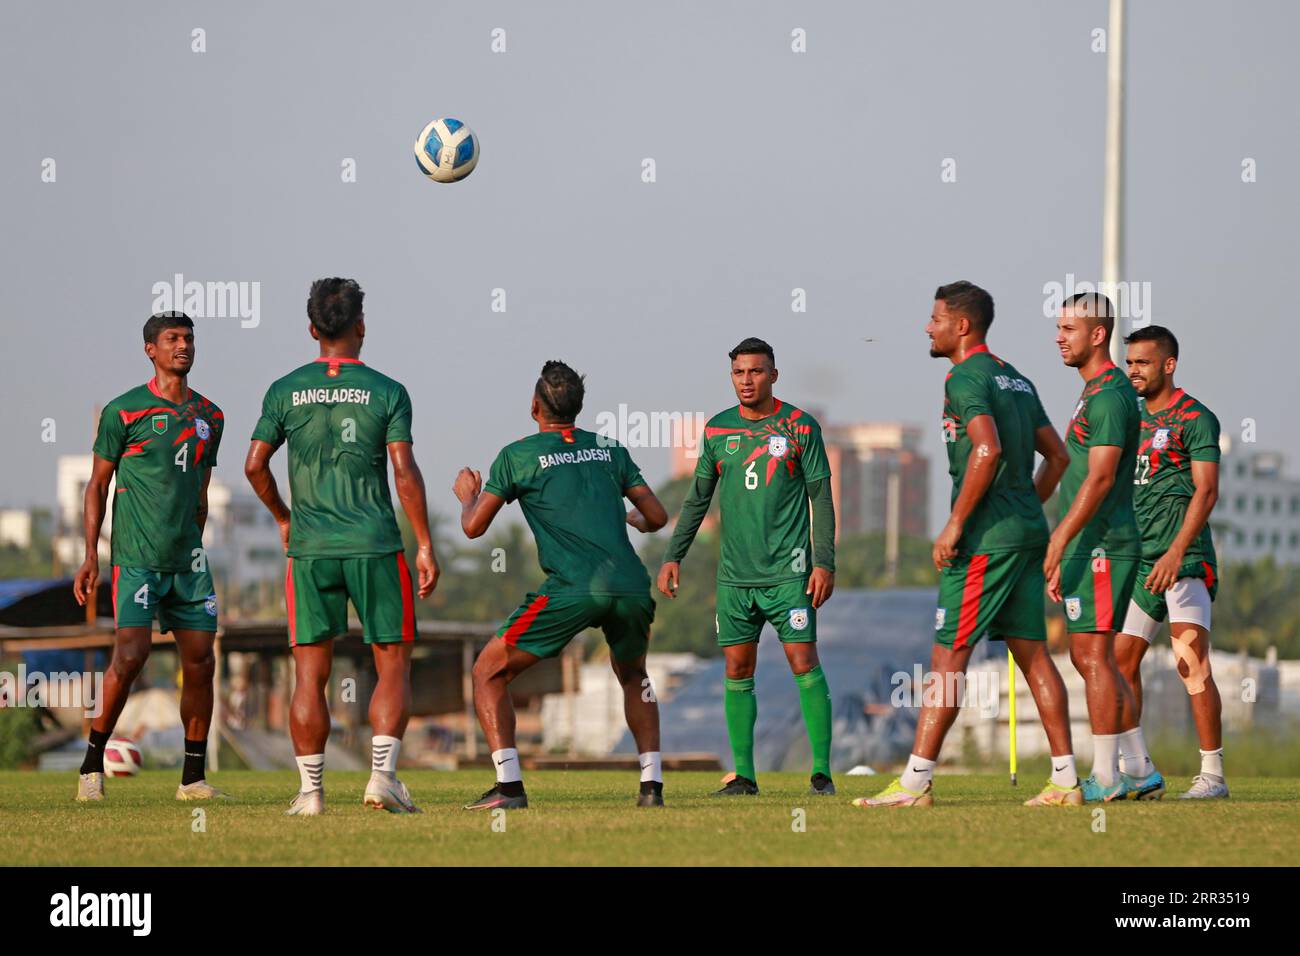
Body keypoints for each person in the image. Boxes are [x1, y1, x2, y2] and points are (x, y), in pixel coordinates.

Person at [854, 282, 1078, 808]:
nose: (926, 327)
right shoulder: (1017, 378)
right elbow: (1060, 457)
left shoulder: (965, 376)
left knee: (947, 657)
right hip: (1025, 534)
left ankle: (914, 784)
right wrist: (1024, 504)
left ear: (962, 326)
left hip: (985, 541)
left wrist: (957, 523)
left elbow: (987, 447)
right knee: (1034, 656)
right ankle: (1066, 781)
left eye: (934, 318)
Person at [245, 278, 439, 816]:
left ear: (312, 329)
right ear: (361, 327)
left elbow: (254, 465)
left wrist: (284, 517)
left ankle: (310, 793)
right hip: (375, 544)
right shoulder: (388, 391)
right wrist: (423, 544)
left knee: (310, 674)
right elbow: (405, 472)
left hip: (309, 549)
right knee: (392, 663)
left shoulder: (284, 390)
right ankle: (382, 779)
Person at [454, 360, 669, 809]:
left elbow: (474, 528)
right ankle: (651, 789)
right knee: (635, 677)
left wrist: (467, 495)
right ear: (578, 408)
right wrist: (632, 519)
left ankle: (509, 788)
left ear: (535, 406)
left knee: (487, 672)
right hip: (630, 583)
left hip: (575, 586)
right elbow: (657, 516)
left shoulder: (518, 455)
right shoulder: (610, 448)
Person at [658, 337, 837, 797]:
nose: (746, 380)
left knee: (803, 660)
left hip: (790, 574)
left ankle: (821, 773)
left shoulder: (800, 427)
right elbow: (698, 499)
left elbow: (821, 497)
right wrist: (673, 555)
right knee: (737, 669)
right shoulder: (718, 431)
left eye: (755, 371)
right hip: (734, 579)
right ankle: (745, 776)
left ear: (773, 375)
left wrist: (824, 563)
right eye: (739, 372)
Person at [73, 311, 227, 803]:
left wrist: (192, 543)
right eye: (172, 339)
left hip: (190, 564)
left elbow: (201, 493)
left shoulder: (211, 416)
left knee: (202, 662)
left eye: (188, 338)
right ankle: (92, 766)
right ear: (150, 350)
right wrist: (90, 555)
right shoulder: (124, 411)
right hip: (135, 558)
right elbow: (97, 485)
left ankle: (193, 781)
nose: (183, 346)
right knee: (132, 656)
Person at [1046, 292, 1163, 801]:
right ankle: (1139, 769)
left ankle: (1108, 779)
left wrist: (1059, 538)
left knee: (1094, 656)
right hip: (1087, 544)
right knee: (1091, 656)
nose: (1059, 337)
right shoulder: (1093, 391)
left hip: (1103, 544)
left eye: (1069, 328)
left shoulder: (1112, 393)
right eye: (1058, 327)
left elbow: (1100, 478)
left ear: (1098, 334)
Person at [1116, 325, 1227, 799]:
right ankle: (1138, 770)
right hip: (1141, 562)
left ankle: (1213, 776)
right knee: (1119, 662)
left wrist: (1177, 551)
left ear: (1168, 364)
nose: (1132, 370)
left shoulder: (1195, 417)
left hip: (1183, 559)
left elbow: (1207, 490)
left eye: (1142, 362)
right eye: (1129, 362)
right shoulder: (1128, 419)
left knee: (1190, 663)